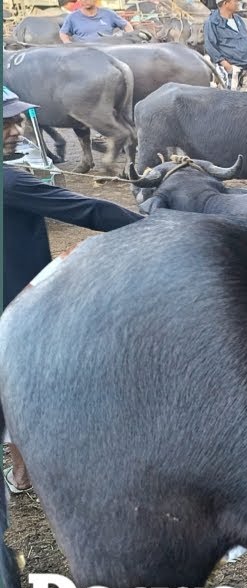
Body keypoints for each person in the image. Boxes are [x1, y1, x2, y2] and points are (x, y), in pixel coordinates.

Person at [2, 94, 143, 495]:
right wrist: (161, 225)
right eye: (5, 124)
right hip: (21, 308)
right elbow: (88, 211)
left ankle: (22, 473)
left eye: (16, 121)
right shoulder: (9, 182)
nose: (16, 130)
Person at [204, 0, 247, 89]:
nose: (238, 3)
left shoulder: (238, 19)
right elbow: (210, 46)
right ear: (225, 3)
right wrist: (226, 65)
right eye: (235, 1)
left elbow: (246, 40)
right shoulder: (212, 22)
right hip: (232, 69)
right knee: (230, 98)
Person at [59, 0, 133, 43]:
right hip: (84, 53)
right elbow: (63, 33)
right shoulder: (72, 17)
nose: (85, 1)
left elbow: (126, 25)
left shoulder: (108, 13)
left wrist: (130, 39)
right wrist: (68, 44)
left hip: (108, 51)